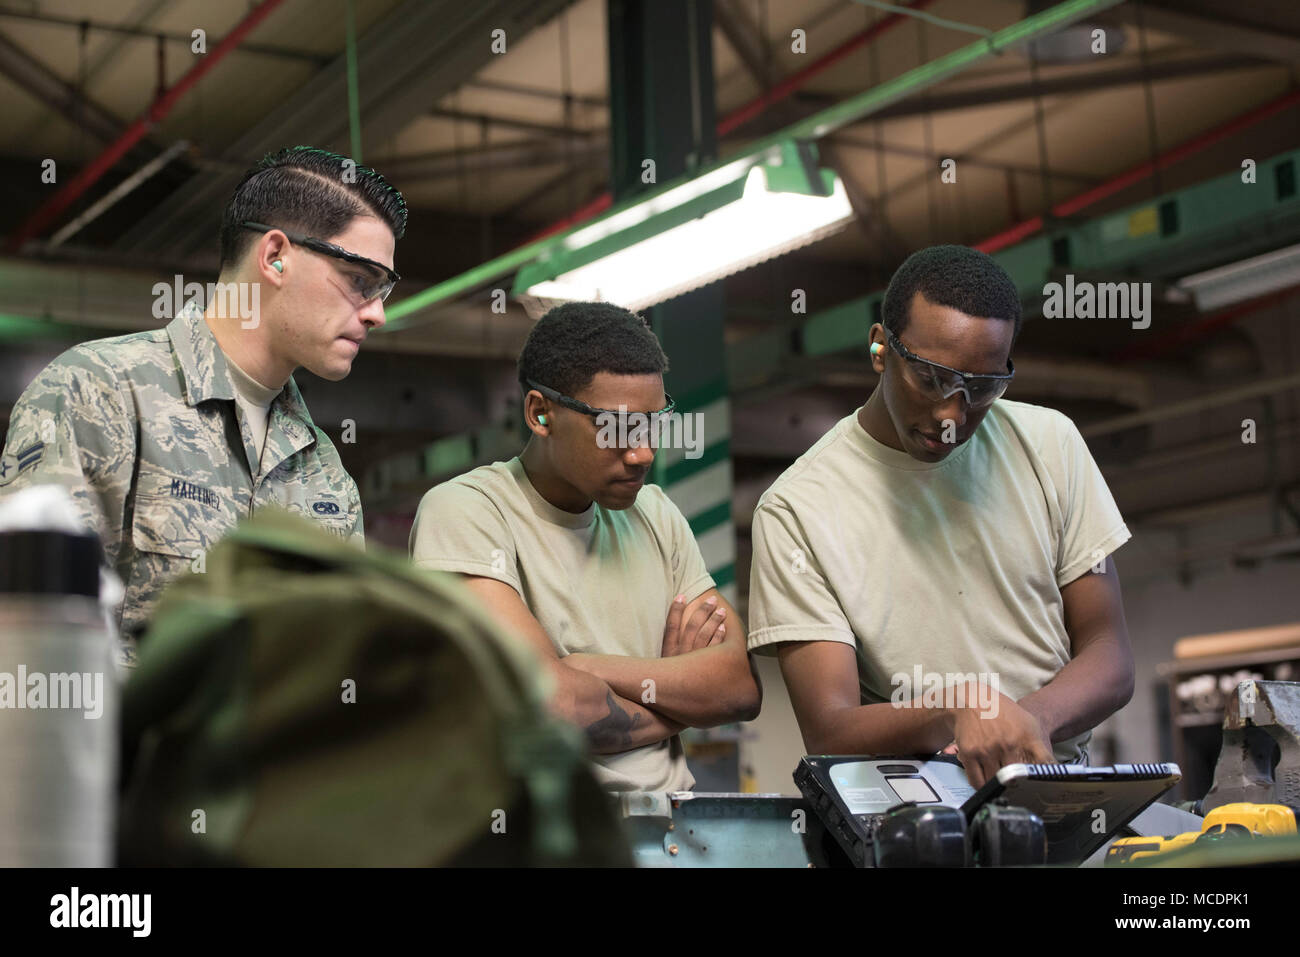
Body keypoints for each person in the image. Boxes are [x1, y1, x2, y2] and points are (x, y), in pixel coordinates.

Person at [748, 245, 1135, 787]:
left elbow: (1110, 656)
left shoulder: (1052, 445)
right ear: (881, 347)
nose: (953, 413)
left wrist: (1025, 723)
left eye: (981, 389)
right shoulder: (797, 509)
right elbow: (829, 728)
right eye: (930, 379)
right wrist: (958, 709)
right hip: (910, 804)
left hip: (1055, 781)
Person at [0, 146, 405, 665]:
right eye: (360, 281)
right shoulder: (99, 392)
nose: (378, 315)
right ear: (275, 256)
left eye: (382, 290)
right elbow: (39, 636)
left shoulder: (324, 471)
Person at [410, 302, 761, 791]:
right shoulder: (467, 511)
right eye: (616, 427)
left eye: (653, 423)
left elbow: (739, 688)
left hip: (675, 834)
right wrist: (676, 700)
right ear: (540, 413)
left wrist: (582, 667)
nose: (643, 453)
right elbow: (552, 707)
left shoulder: (657, 514)